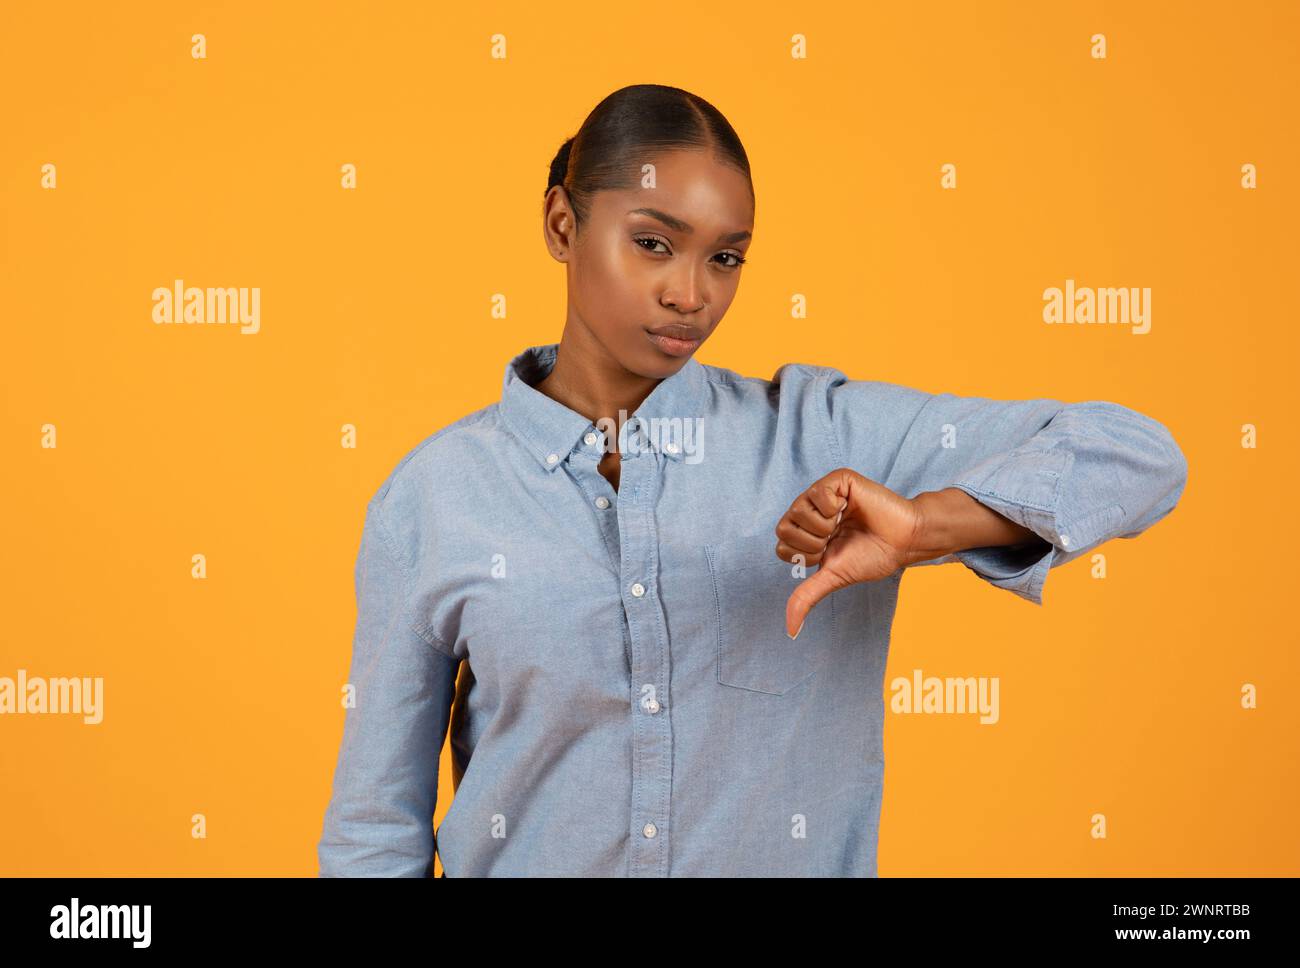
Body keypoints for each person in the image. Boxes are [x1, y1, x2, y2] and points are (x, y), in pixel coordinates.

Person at [316, 83, 1188, 877]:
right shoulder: (435, 496)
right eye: (653, 243)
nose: (690, 294)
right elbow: (374, 833)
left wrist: (928, 525)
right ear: (561, 226)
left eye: (726, 259)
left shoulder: (828, 437)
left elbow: (1139, 453)